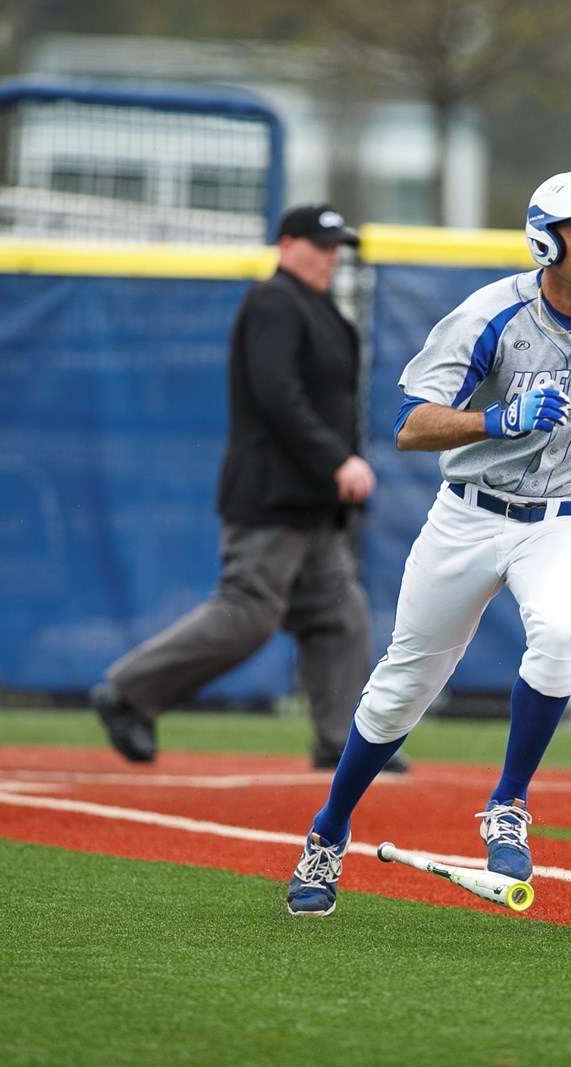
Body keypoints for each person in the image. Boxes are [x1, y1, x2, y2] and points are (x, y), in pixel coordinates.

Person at [283, 170, 571, 916]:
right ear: (544, 239)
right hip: (470, 515)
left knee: (561, 635)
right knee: (402, 686)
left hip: (564, 516)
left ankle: (508, 802)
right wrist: (497, 419)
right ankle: (328, 832)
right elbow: (411, 424)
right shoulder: (489, 316)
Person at [91, 204, 406, 773]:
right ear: (287, 245)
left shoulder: (320, 310)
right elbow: (275, 394)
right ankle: (129, 692)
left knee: (338, 615)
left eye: (337, 248)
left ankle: (342, 742)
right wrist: (337, 459)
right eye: (320, 245)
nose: (331, 258)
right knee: (248, 612)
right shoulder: (274, 302)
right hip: (272, 496)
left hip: (314, 504)